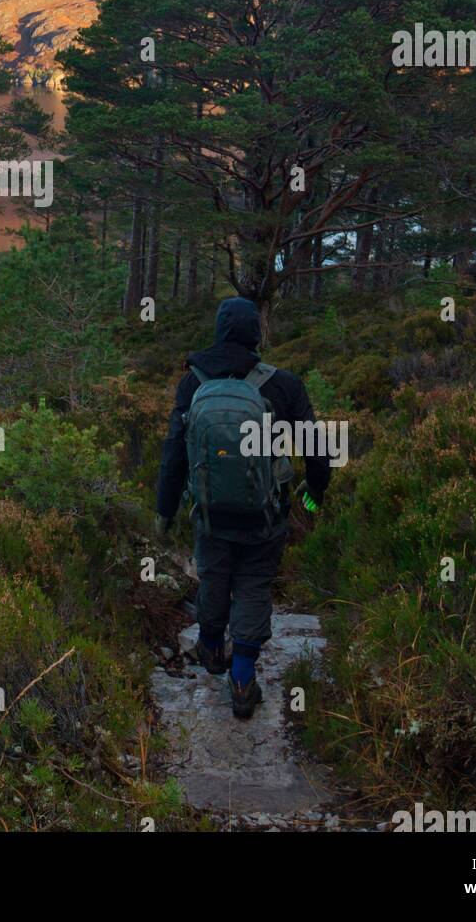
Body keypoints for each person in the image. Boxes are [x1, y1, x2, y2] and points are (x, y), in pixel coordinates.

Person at [156, 296, 329, 719]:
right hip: (265, 514)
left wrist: (165, 510)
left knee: (214, 576)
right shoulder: (282, 384)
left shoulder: (192, 383)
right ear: (257, 334)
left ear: (219, 330)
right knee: (253, 583)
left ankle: (212, 648)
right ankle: (242, 676)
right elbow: (316, 449)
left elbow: (175, 452)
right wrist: (315, 491)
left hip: (211, 513)